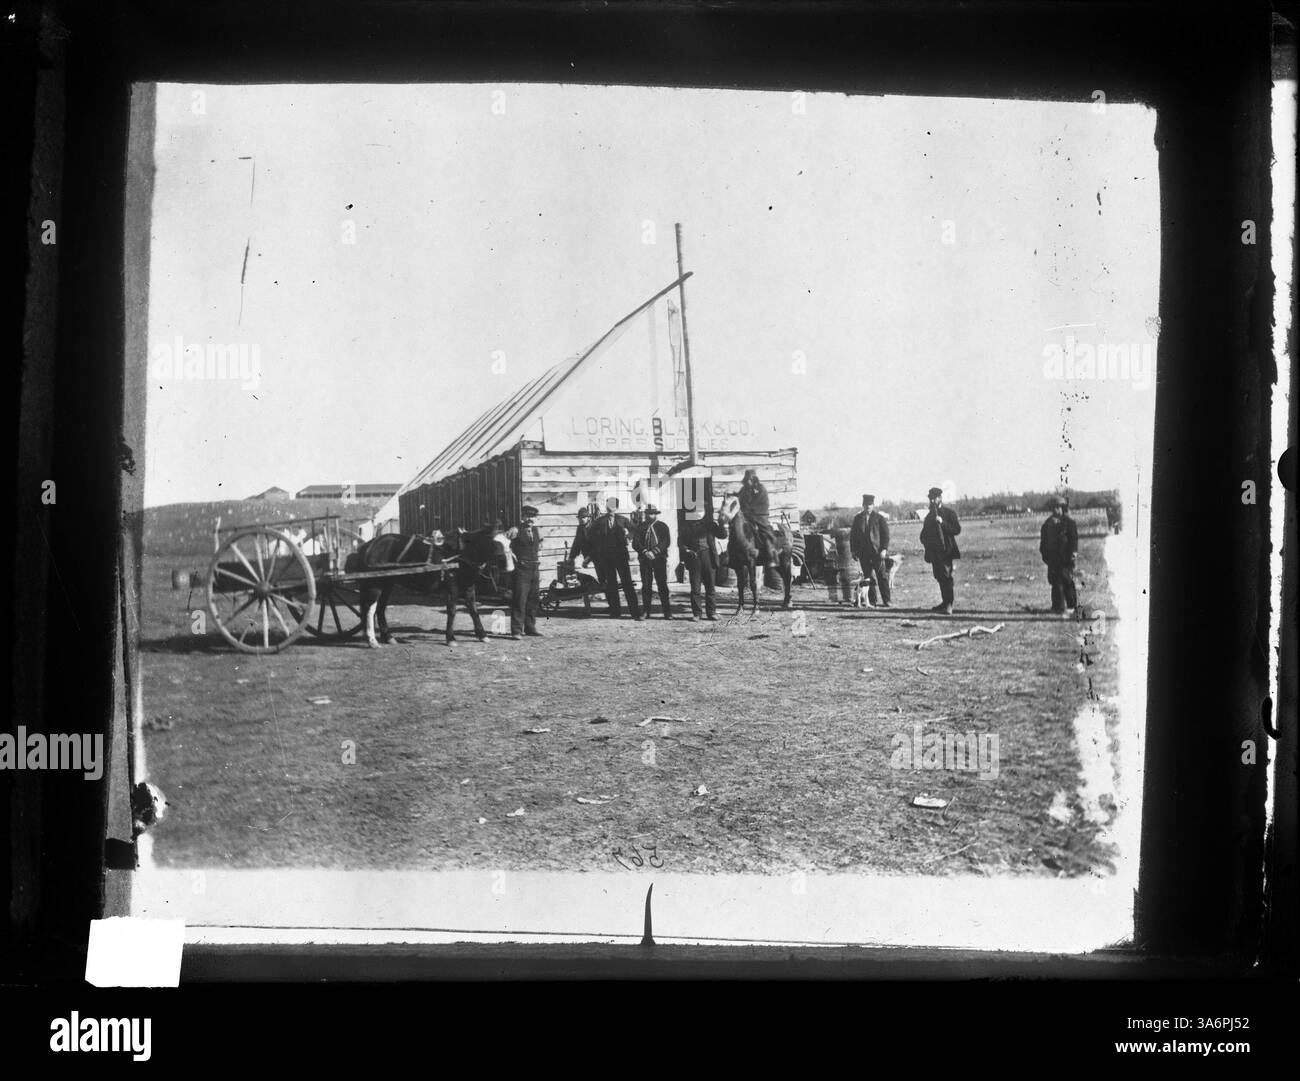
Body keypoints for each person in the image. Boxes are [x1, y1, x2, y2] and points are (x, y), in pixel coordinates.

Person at [589, 496, 642, 619]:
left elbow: (635, 530)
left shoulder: (623, 520)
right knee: (611, 584)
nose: (610, 507)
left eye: (613, 505)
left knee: (627, 583)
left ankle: (635, 612)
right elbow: (592, 537)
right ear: (606, 506)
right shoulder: (599, 521)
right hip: (606, 558)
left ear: (617, 507)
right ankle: (615, 612)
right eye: (609, 505)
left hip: (621, 556)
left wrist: (628, 537)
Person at [679, 502, 726, 621]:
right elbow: (680, 542)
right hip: (694, 558)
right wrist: (686, 550)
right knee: (695, 589)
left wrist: (721, 523)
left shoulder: (710, 525)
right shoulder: (687, 526)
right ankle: (697, 614)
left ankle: (711, 612)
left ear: (704, 512)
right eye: (696, 511)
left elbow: (723, 535)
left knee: (710, 587)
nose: (698, 513)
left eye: (701, 511)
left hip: (708, 557)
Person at [919, 486, 961, 614]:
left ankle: (949, 604)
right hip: (935, 552)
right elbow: (923, 535)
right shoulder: (929, 516)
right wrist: (928, 545)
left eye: (934, 498)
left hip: (946, 551)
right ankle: (944, 602)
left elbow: (956, 529)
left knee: (946, 577)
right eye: (931, 499)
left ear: (940, 498)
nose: (932, 501)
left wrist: (942, 523)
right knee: (939, 577)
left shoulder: (949, 513)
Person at [850, 493, 892, 607]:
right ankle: (872, 601)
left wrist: (884, 549)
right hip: (863, 553)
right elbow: (853, 536)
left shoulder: (879, 518)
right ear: (863, 505)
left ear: (873, 505)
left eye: (870, 504)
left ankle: (886, 600)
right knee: (868, 578)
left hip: (877, 553)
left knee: (882, 576)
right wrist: (853, 550)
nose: (868, 507)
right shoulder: (858, 519)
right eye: (866, 504)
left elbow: (885, 535)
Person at [1039, 495, 1079, 615]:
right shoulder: (1047, 525)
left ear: (1062, 508)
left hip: (1066, 558)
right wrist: (1046, 557)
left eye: (1058, 507)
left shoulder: (1069, 523)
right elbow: (1043, 543)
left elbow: (1073, 540)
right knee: (1055, 583)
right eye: (1054, 508)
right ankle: (1057, 607)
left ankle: (1072, 606)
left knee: (1067, 581)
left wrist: (1074, 553)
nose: (1056, 510)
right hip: (1053, 560)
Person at [508, 504, 543, 638]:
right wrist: (512, 557)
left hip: (535, 568)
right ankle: (516, 630)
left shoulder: (537, 531)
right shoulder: (515, 530)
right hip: (521, 569)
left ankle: (530, 628)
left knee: (533, 599)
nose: (530, 519)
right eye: (528, 516)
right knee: (520, 599)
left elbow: (540, 545)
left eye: (533, 517)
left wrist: (539, 555)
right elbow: (504, 544)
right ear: (522, 516)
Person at [635, 504, 673, 618]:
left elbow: (666, 541)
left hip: (659, 559)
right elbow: (635, 542)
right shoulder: (641, 527)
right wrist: (645, 552)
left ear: (656, 514)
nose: (650, 516)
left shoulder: (662, 527)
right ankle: (646, 611)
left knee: (662, 585)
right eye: (648, 513)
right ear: (645, 514)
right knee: (646, 585)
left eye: (652, 513)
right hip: (645, 559)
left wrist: (655, 552)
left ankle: (667, 611)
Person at [737, 468, 776, 564]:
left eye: (749, 480)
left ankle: (772, 555)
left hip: (760, 515)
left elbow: (758, 503)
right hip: (747, 516)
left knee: (764, 532)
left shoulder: (761, 489)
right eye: (746, 480)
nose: (747, 482)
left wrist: (747, 510)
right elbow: (739, 497)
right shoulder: (744, 489)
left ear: (754, 480)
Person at [568, 506, 603, 588]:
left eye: (584, 517)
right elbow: (576, 544)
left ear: (588, 518)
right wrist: (571, 557)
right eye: (580, 518)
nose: (581, 519)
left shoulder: (595, 527)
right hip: (589, 556)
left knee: (603, 577)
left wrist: (588, 558)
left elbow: (597, 546)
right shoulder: (580, 528)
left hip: (600, 556)